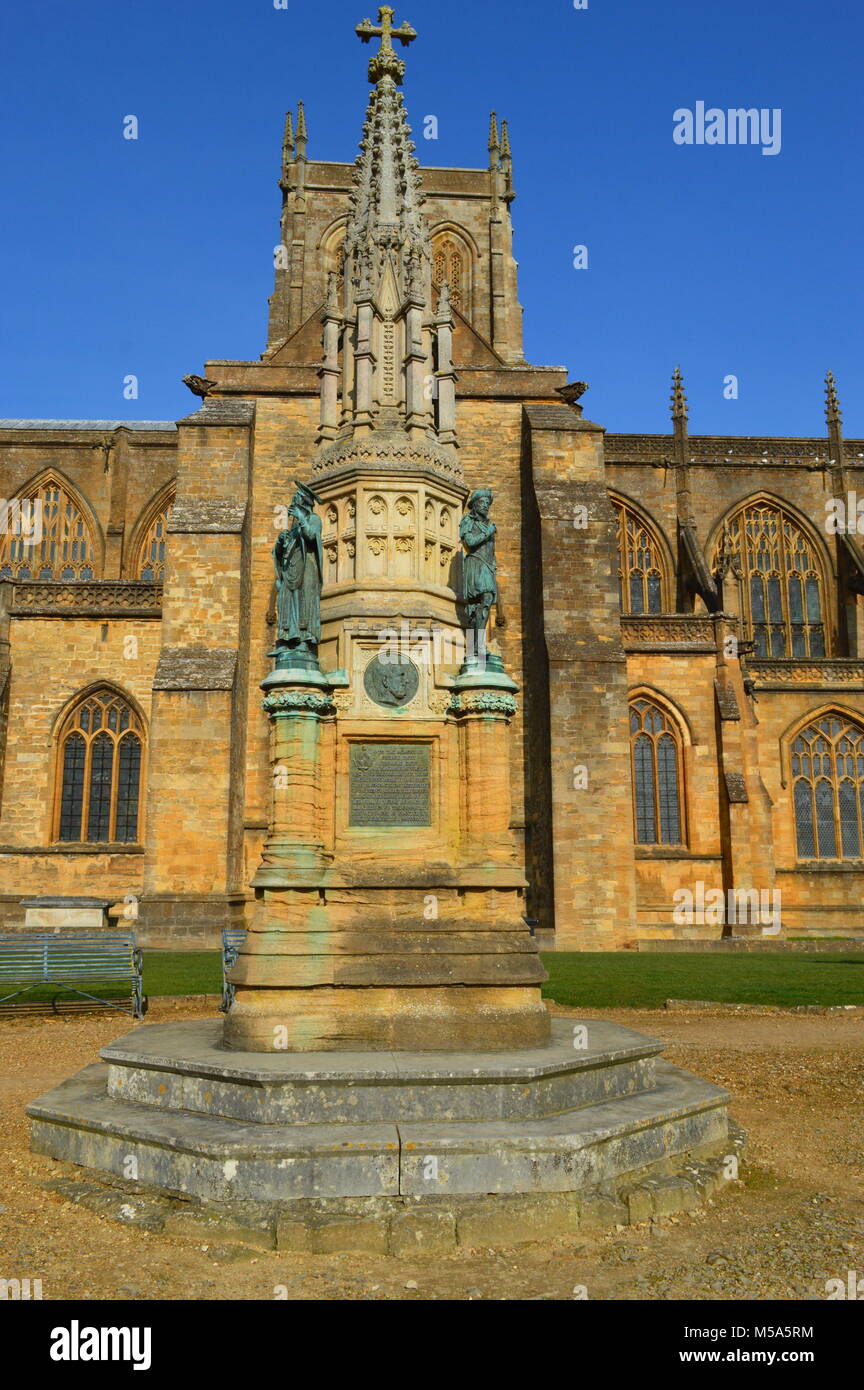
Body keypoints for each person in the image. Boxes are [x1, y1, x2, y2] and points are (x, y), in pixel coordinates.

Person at [273, 481, 324, 666]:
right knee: (287, 603)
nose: (293, 504)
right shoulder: (293, 528)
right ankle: (287, 640)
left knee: (304, 604)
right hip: (291, 572)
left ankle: (303, 641)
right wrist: (280, 542)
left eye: (297, 500)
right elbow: (280, 553)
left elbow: (311, 536)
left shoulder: (314, 519)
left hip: (307, 572)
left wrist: (302, 519)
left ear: (304, 502)